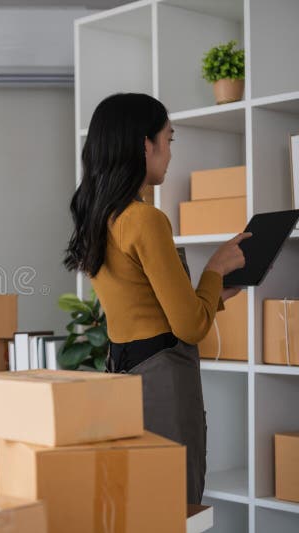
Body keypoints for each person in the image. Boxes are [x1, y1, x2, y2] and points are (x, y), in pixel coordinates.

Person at [63, 93, 250, 505]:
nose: (169, 152)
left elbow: (143, 304)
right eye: (169, 138)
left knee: (139, 503)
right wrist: (215, 268)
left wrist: (213, 293)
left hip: (122, 373)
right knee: (176, 504)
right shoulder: (147, 220)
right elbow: (190, 326)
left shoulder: (102, 218)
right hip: (163, 377)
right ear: (145, 144)